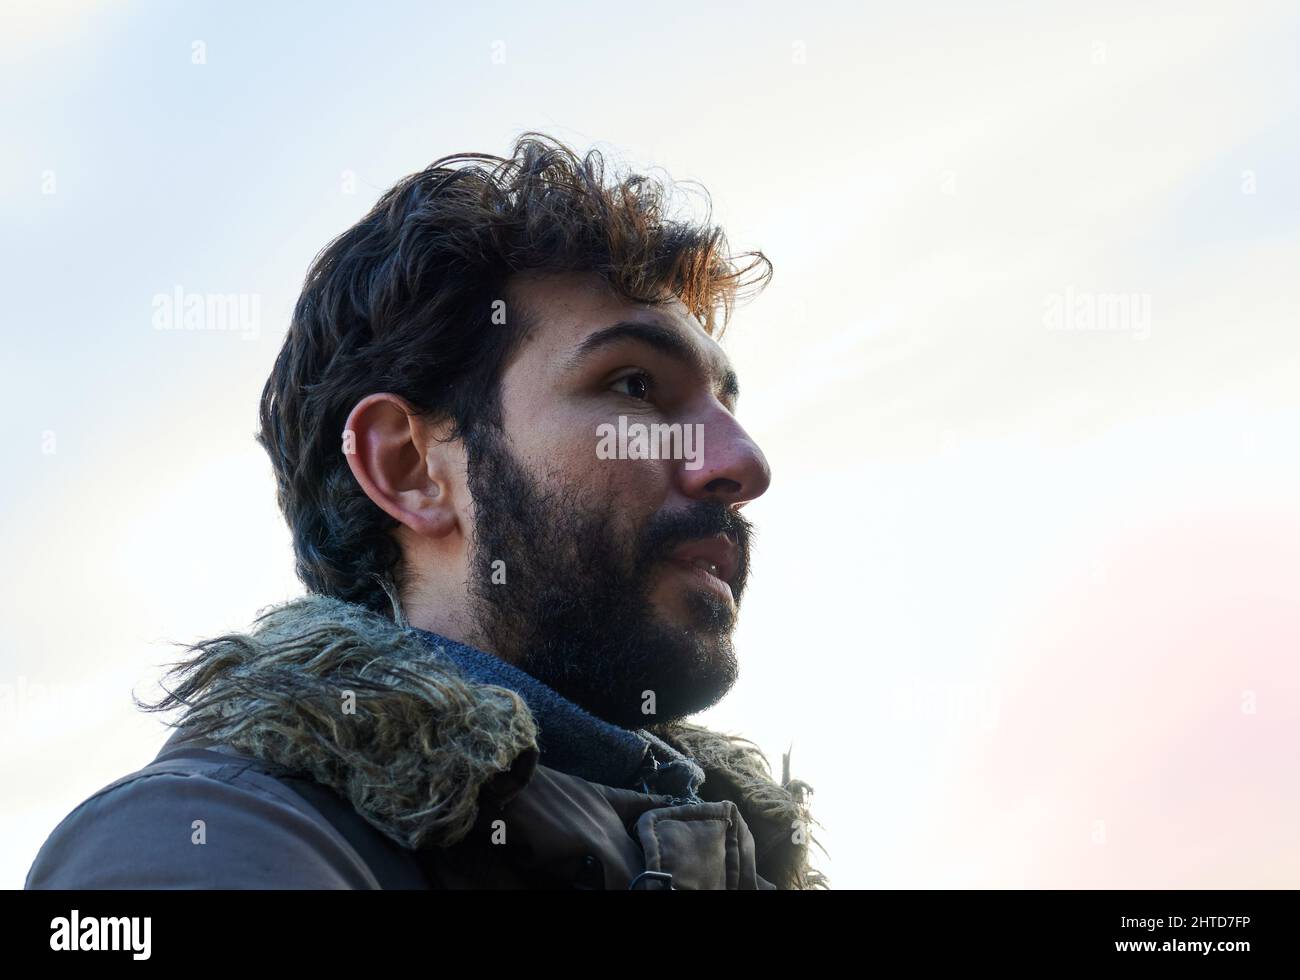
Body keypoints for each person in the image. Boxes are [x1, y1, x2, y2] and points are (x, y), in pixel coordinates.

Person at [25, 133, 826, 890]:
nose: (742, 464)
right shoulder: (196, 839)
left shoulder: (728, 851)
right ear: (408, 469)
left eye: (724, 405)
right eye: (635, 387)